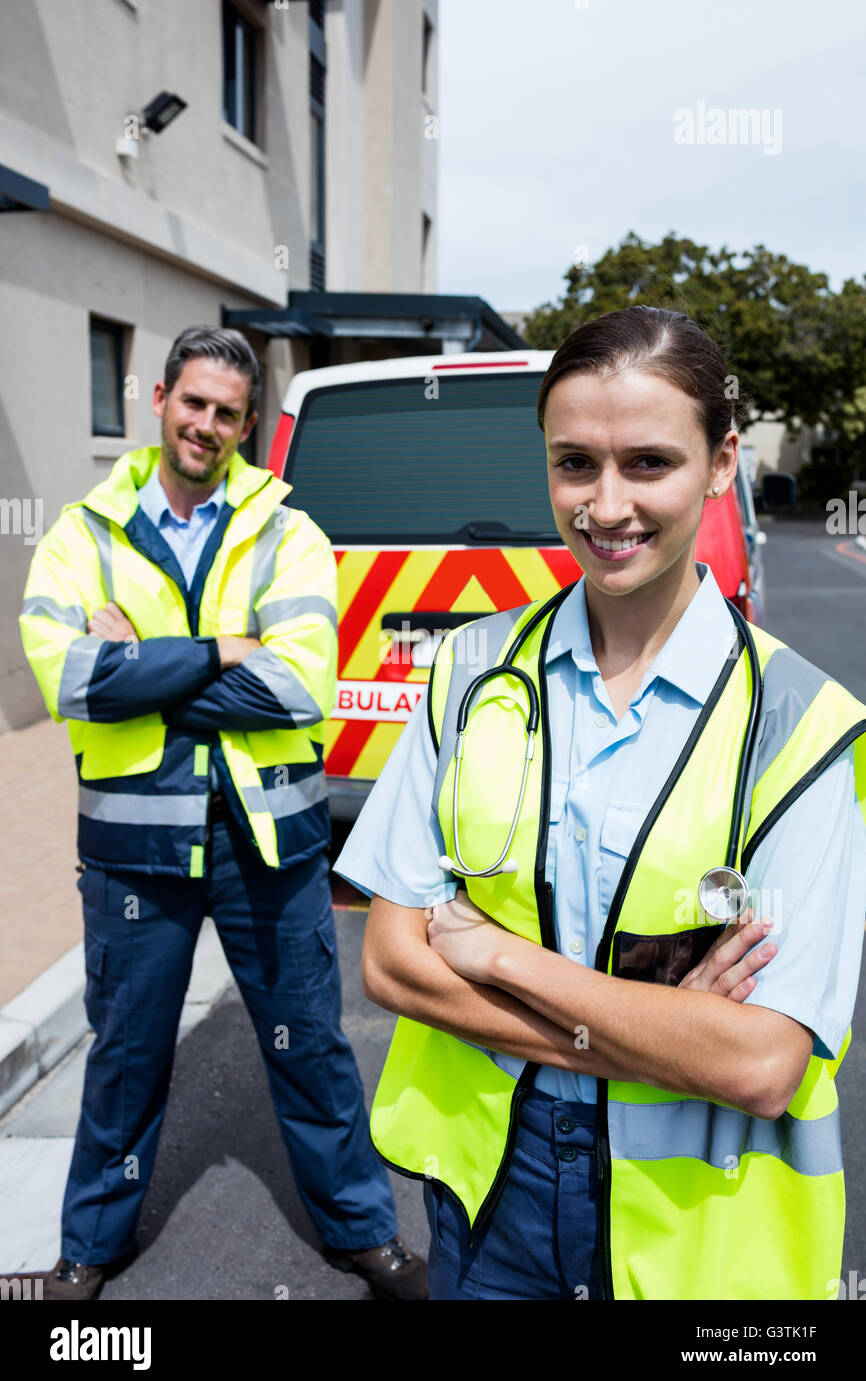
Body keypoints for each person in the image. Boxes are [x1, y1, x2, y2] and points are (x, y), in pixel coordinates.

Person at [334, 305, 866, 1301]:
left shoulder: (800, 721)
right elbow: (391, 963)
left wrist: (501, 957)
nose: (604, 503)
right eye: (574, 463)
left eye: (648, 463)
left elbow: (758, 1063)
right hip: (492, 1194)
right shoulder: (470, 666)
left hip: (694, 1235)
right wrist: (666, 1032)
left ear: (719, 464)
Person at [15, 325, 426, 1301]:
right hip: (135, 843)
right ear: (159, 399)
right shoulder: (82, 533)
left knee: (311, 1041)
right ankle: (90, 1247)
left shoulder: (289, 531)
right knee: (125, 1051)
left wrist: (143, 664)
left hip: (267, 839)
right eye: (191, 402)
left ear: (247, 424)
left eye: (227, 411)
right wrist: (223, 650)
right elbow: (69, 679)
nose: (206, 423)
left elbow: (296, 690)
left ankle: (363, 1231)